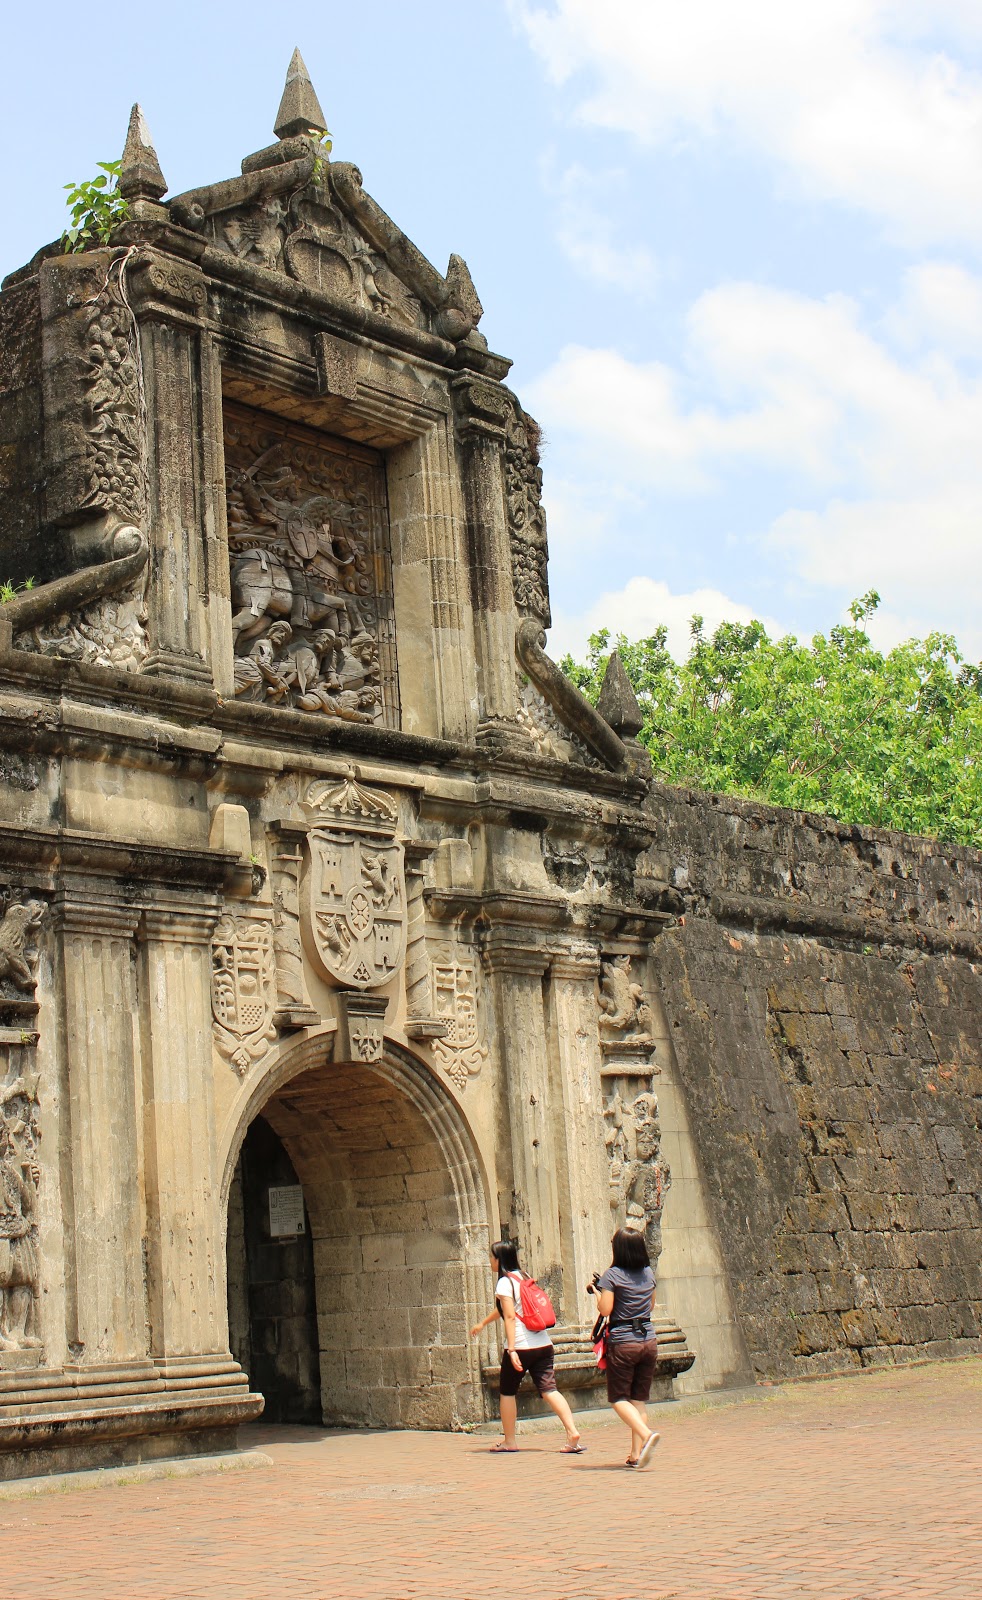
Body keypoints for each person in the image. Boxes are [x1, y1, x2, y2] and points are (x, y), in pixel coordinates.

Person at [469, 1240, 584, 1454]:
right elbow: (509, 1309)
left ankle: (510, 1441)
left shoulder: (504, 1282)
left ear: (499, 1259)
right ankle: (572, 1432)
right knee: (550, 1389)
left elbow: (510, 1316)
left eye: (492, 1257)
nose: (490, 1261)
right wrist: (483, 1323)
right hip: (543, 1343)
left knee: (507, 1392)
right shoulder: (523, 1276)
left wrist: (511, 1349)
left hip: (521, 1346)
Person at [594, 1227, 660, 1468]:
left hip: (624, 1342)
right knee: (638, 1399)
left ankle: (646, 1435)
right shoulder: (648, 1273)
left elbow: (605, 1310)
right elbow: (650, 1305)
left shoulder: (611, 1275)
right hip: (648, 1340)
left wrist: (596, 1293)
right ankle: (635, 1455)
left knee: (619, 1398)